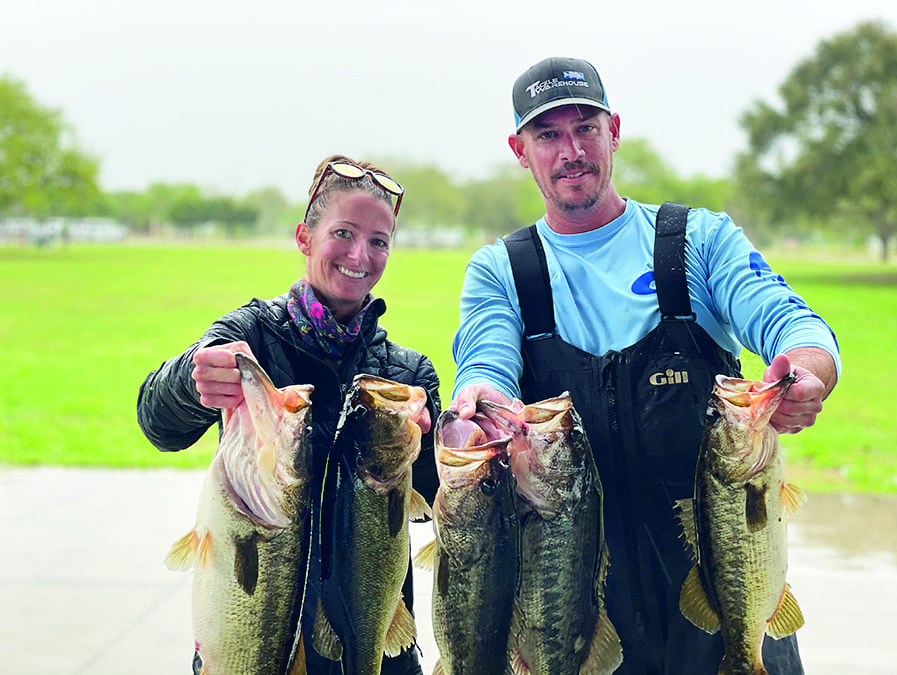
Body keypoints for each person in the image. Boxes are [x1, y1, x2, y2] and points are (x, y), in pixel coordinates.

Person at [450, 56, 839, 674]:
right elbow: (485, 363)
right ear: (520, 150)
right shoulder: (502, 271)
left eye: (586, 127)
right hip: (583, 619)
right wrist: (480, 409)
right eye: (548, 134)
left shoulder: (699, 240)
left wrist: (810, 369)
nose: (571, 150)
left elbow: (791, 323)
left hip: (726, 589)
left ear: (615, 130)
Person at [137, 154, 439, 675]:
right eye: (343, 233)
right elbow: (158, 423)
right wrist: (193, 377)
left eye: (379, 240)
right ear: (304, 236)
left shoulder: (405, 373)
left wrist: (447, 448)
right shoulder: (251, 334)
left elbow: (431, 501)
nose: (360, 254)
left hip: (373, 643)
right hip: (253, 634)